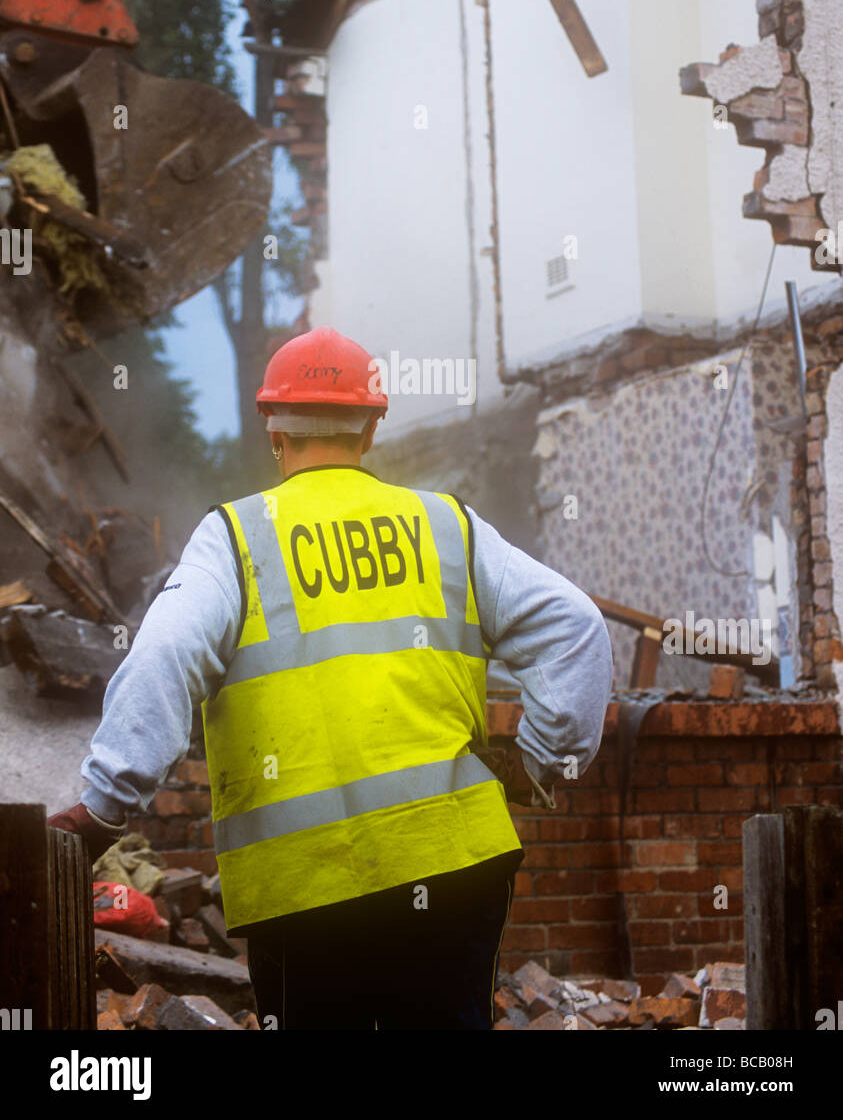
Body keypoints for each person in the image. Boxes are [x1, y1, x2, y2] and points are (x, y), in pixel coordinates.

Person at [49, 326, 613, 1030]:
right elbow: (577, 629)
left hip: (305, 884)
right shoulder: (446, 526)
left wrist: (105, 803)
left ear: (273, 433)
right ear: (371, 429)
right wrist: (539, 761)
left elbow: (164, 652)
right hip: (453, 867)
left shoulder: (235, 538)